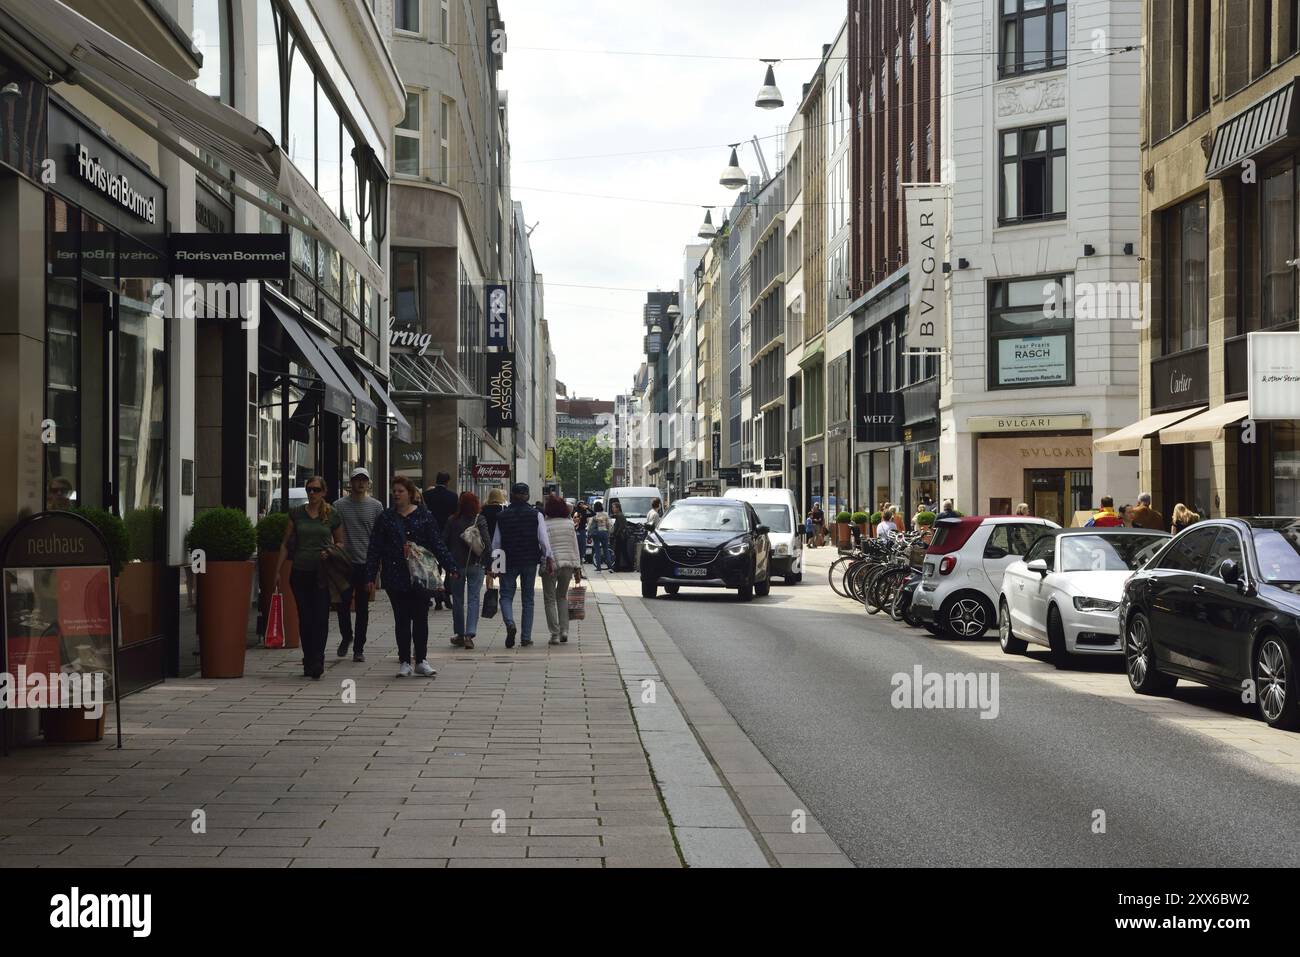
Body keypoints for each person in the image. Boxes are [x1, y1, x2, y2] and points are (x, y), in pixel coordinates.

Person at [366, 475, 460, 677]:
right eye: (394, 491)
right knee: (401, 619)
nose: (396, 494)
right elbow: (375, 547)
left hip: (420, 576)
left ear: (410, 493)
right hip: (395, 574)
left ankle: (422, 660)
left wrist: (451, 566)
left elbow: (437, 543)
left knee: (420, 618)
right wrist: (370, 576)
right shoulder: (386, 518)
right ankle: (404, 661)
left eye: (400, 491)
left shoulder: (424, 516)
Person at [275, 476, 344, 679]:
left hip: (322, 573)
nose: (311, 493)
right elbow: (285, 544)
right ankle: (308, 658)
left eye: (315, 490)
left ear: (323, 492)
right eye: (309, 490)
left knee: (321, 617)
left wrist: (330, 551)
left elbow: (341, 543)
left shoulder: (331, 514)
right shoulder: (296, 513)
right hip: (300, 572)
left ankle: (318, 659)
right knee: (305, 618)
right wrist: (277, 571)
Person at [490, 482, 555, 648]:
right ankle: (526, 637)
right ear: (527, 496)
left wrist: (495, 565)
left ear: (512, 495)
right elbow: (543, 539)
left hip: (508, 560)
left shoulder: (502, 516)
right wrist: (548, 557)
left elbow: (496, 542)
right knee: (528, 599)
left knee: (505, 596)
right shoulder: (536, 515)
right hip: (529, 560)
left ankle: (510, 623)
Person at [333, 468, 383, 662]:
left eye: (364, 480)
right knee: (342, 604)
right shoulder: (338, 505)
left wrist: (378, 563)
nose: (360, 484)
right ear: (350, 483)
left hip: (366, 564)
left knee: (362, 607)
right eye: (357, 480)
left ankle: (359, 648)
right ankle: (347, 636)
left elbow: (380, 535)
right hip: (344, 562)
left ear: (368, 483)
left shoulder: (376, 506)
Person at [443, 490, 490, 650]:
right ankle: (470, 634)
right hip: (475, 564)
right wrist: (487, 563)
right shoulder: (480, 519)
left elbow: (444, 542)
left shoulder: (452, 520)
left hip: (456, 566)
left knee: (457, 600)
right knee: (474, 598)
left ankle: (459, 634)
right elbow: (487, 544)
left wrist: (447, 562)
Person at [541, 495, 582, 645]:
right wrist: (577, 567)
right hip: (568, 564)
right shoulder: (569, 523)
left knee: (549, 599)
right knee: (562, 596)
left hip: (551, 564)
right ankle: (565, 630)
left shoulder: (544, 524)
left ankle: (555, 634)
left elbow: (542, 546)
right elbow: (575, 546)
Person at [423, 472, 458, 611]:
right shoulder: (453, 496)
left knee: (433, 568)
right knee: (449, 567)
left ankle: (437, 596)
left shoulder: (427, 496)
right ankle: (447, 595)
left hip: (430, 535)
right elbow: (455, 516)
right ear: (448, 481)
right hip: (448, 536)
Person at [588, 501, 612, 571]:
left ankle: (598, 567)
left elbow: (590, 525)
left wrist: (589, 533)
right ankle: (610, 566)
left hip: (596, 533)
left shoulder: (594, 515)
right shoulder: (605, 514)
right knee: (606, 550)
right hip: (604, 532)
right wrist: (609, 532)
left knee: (597, 550)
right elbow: (609, 524)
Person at [610, 499, 631, 571]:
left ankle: (623, 567)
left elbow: (621, 526)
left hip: (621, 537)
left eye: (614, 507)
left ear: (618, 508)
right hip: (621, 536)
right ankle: (619, 566)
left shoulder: (620, 515)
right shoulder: (619, 515)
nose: (613, 509)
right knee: (620, 552)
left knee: (619, 552)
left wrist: (616, 533)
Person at [573, 500, 592, 565]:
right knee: (578, 546)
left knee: (582, 546)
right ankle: (578, 559)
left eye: (583, 504)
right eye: (580, 505)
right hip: (577, 530)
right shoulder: (575, 513)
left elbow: (593, 513)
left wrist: (587, 508)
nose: (582, 506)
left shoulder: (584, 514)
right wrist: (587, 508)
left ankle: (580, 559)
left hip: (581, 531)